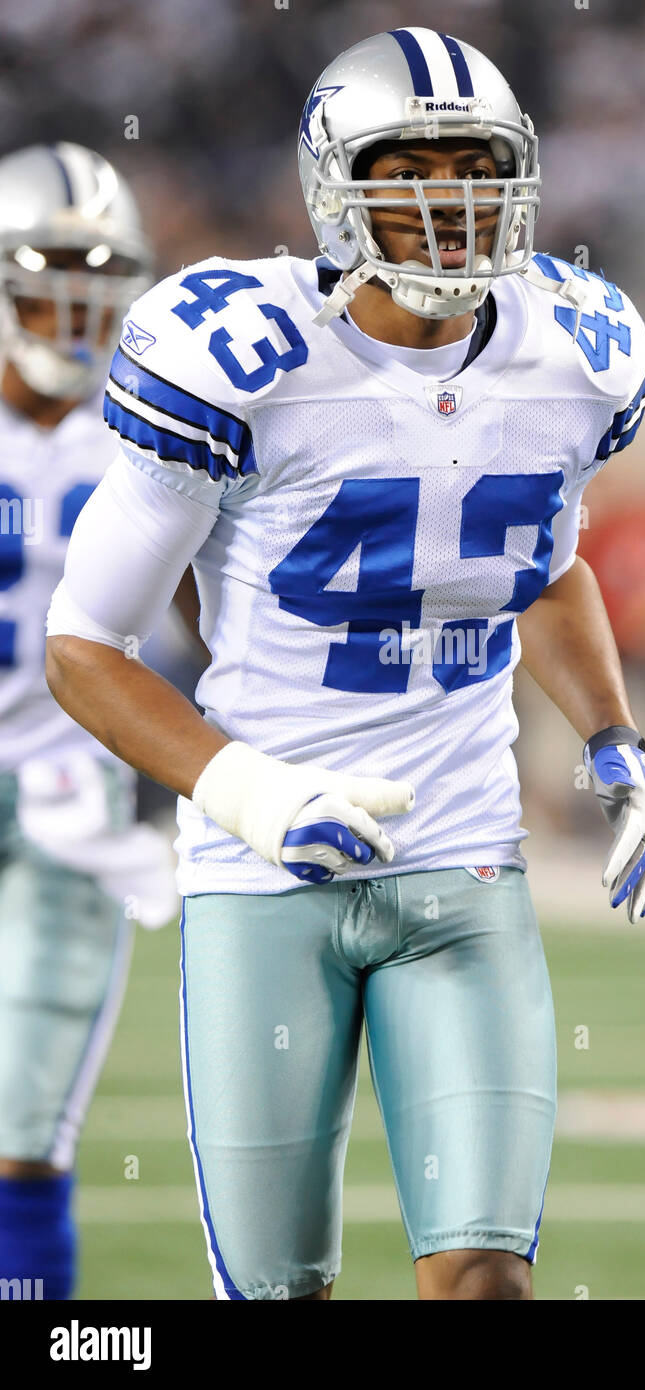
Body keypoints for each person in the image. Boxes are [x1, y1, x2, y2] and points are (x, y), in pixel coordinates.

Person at [45, 28, 645, 1301]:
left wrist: (613, 743)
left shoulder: (574, 349)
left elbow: (542, 571)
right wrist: (254, 794)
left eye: (474, 165)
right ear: (339, 188)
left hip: (461, 856)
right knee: (280, 1295)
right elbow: (82, 646)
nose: (448, 200)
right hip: (263, 877)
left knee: (483, 1274)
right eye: (411, 166)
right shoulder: (238, 356)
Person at [0, 142, 178, 1299]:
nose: (77, 302)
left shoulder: (155, 427)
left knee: (25, 1131)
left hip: (68, 798)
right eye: (53, 271)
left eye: (103, 273)